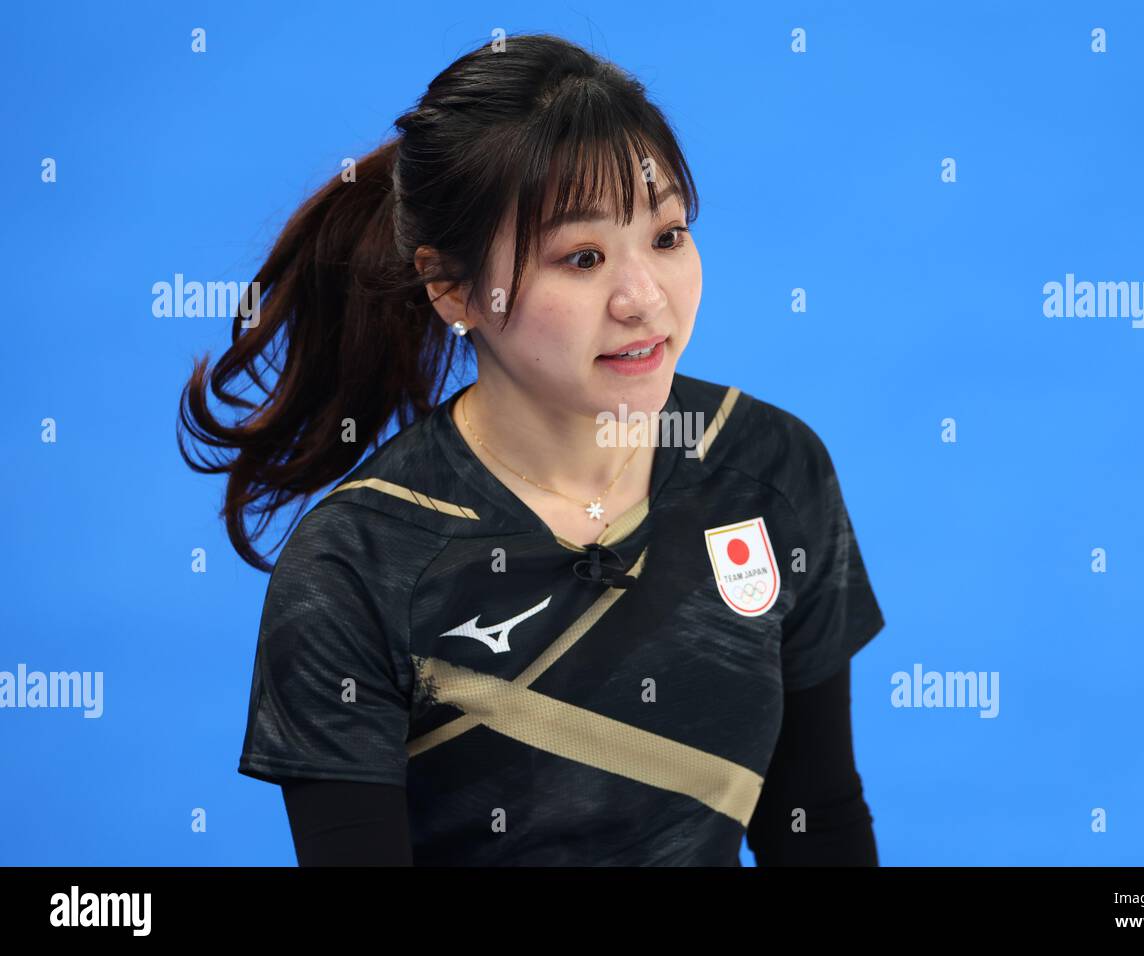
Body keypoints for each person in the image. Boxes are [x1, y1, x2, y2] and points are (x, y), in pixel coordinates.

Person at [178, 32, 886, 866]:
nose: (643, 299)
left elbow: (818, 819)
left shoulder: (767, 466)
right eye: (581, 257)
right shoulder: (359, 563)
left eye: (666, 236)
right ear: (450, 287)